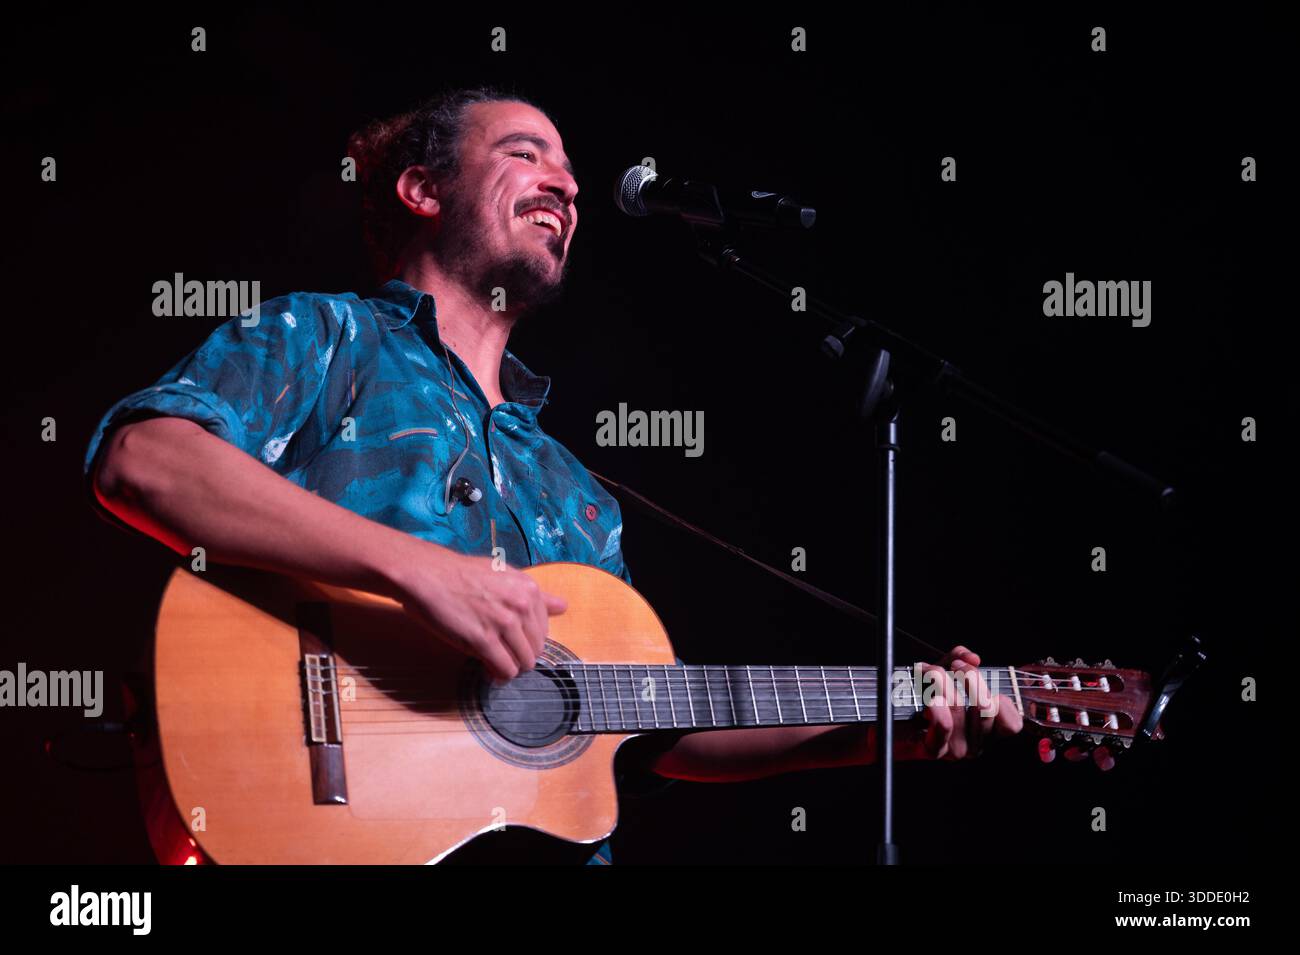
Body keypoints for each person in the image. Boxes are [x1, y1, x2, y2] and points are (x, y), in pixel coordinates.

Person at [84, 87, 1022, 865]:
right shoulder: (328, 337)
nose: (568, 184)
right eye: (528, 154)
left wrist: (883, 726)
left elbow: (651, 731)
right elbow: (143, 458)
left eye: (568, 170)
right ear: (421, 188)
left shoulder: (576, 490)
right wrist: (421, 569)